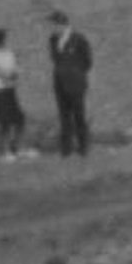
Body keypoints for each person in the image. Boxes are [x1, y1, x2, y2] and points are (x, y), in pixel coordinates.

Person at [47, 10, 93, 158]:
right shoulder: (53, 40)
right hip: (59, 82)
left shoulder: (78, 39)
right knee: (64, 116)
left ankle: (83, 147)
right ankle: (66, 149)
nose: (52, 28)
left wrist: (76, 73)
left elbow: (87, 61)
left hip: (75, 83)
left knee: (79, 115)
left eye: (54, 25)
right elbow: (54, 59)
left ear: (62, 25)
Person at [0, 27, 26, 162]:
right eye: (2, 38)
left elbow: (15, 69)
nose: (4, 40)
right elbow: (0, 72)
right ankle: (4, 152)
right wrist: (12, 74)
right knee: (5, 122)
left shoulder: (8, 53)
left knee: (20, 119)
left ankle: (18, 149)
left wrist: (15, 73)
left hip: (10, 90)